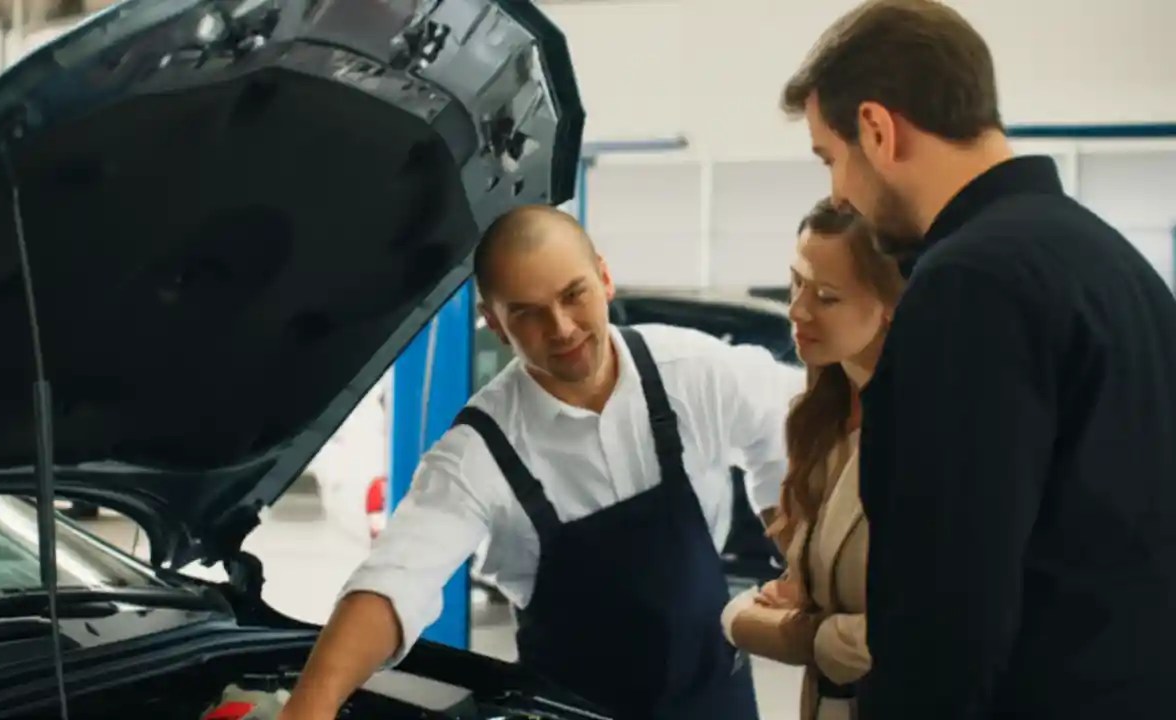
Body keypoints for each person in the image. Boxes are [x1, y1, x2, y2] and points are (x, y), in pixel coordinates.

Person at [779, 1, 1176, 718]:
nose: (837, 191)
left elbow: (948, 608)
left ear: (876, 128)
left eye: (830, 158)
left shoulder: (969, 284)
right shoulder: (1115, 265)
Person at [279, 204, 804, 720]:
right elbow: (396, 580)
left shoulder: (691, 372)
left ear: (604, 277)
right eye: (527, 313)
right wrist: (311, 707)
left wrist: (793, 546)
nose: (562, 329)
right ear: (495, 324)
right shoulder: (479, 451)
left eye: (573, 295)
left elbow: (795, 422)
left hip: (716, 705)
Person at [720, 199, 903, 720]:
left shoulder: (930, 433)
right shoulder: (815, 417)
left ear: (890, 303)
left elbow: (918, 628)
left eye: (826, 296)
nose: (798, 310)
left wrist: (780, 630)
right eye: (796, 282)